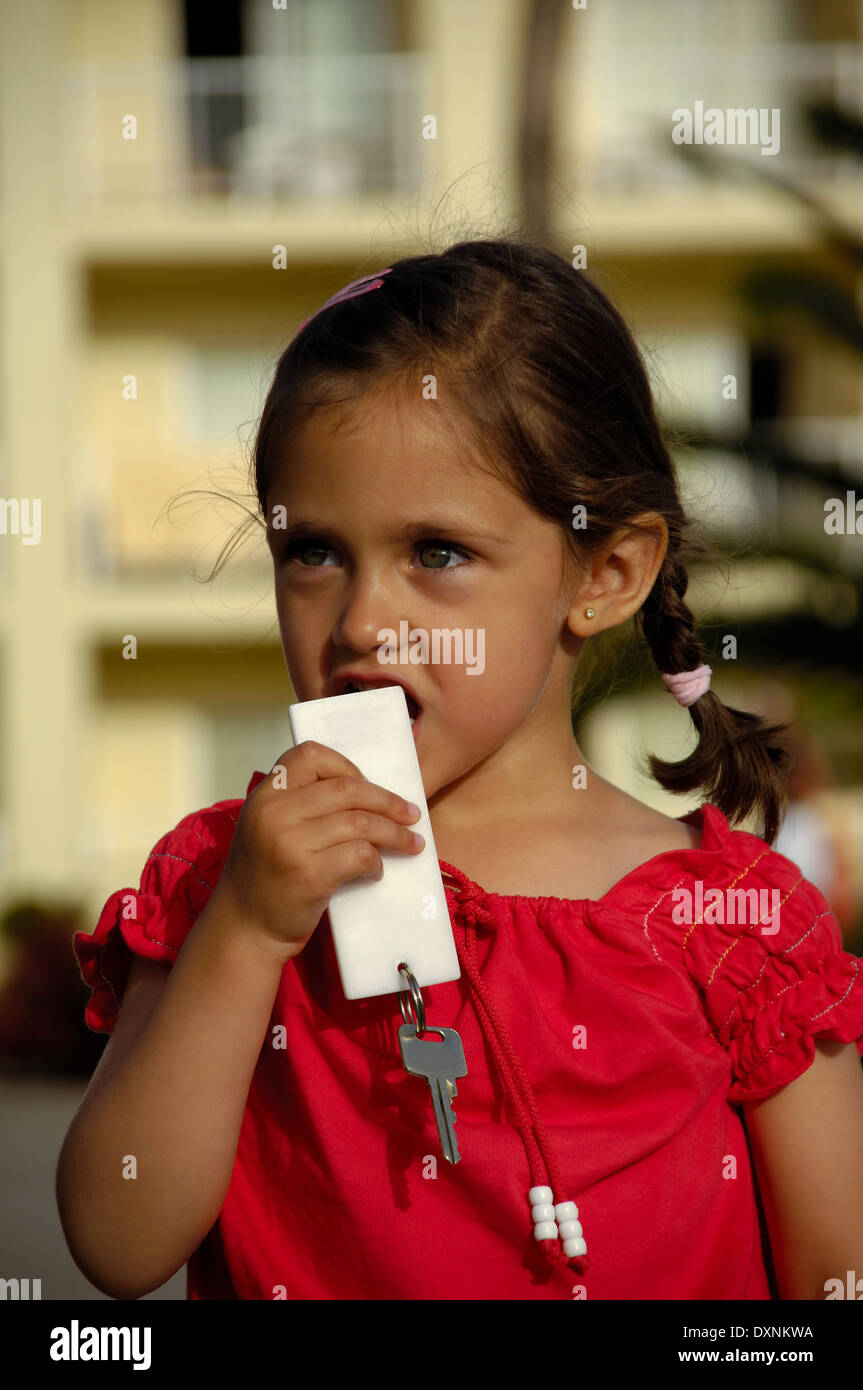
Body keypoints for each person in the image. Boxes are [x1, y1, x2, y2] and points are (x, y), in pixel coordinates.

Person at [58, 239, 863, 1301]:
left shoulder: (729, 923)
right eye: (313, 551)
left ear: (606, 572)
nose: (359, 621)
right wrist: (246, 935)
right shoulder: (226, 878)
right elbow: (117, 1241)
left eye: (435, 552)